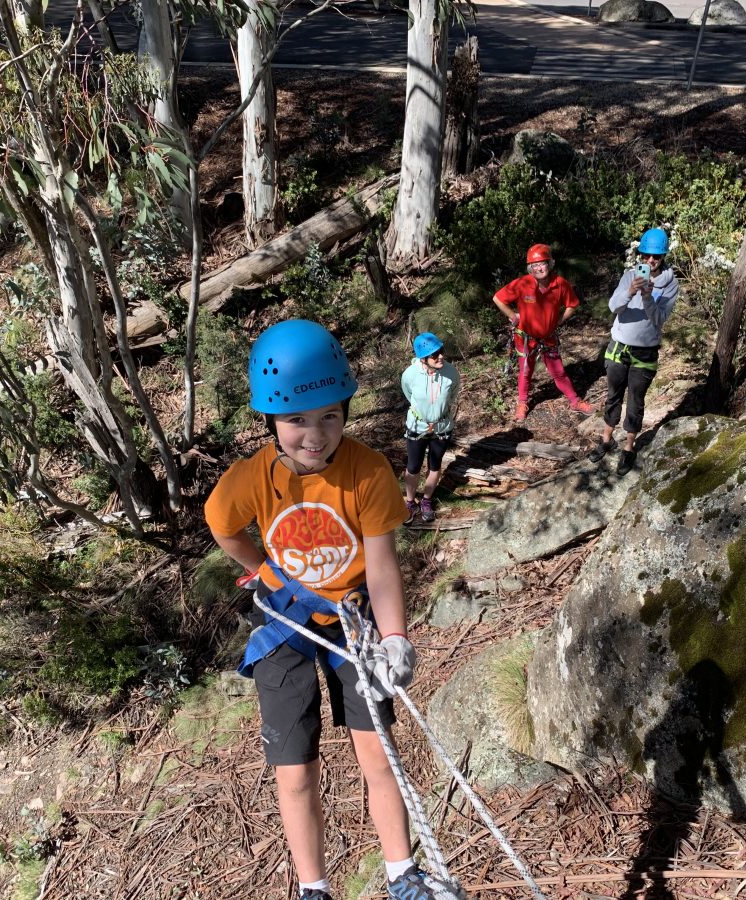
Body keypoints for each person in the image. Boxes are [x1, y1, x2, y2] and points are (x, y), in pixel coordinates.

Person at [204, 319, 439, 900]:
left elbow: (381, 566)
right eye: (296, 420)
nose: (314, 435)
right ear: (270, 420)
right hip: (285, 622)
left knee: (378, 754)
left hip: (353, 620)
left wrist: (395, 637)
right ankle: (314, 887)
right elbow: (222, 523)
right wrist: (262, 569)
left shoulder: (367, 471)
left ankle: (402, 873)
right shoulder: (251, 478)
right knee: (295, 769)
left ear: (345, 411)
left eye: (329, 416)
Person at [597, 227, 679, 476]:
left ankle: (628, 448)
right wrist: (631, 291)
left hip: (645, 352)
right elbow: (613, 306)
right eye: (646, 255)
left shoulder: (671, 284)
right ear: (640, 255)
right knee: (613, 395)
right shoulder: (629, 276)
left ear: (663, 256)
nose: (650, 260)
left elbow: (659, 319)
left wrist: (647, 297)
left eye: (656, 256)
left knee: (635, 401)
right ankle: (606, 440)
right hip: (619, 346)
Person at [492, 243, 594, 422]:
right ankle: (522, 402)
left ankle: (574, 401)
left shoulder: (560, 284)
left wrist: (560, 320)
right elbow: (498, 298)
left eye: (542, 263)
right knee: (525, 371)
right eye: (535, 265)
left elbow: (572, 304)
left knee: (559, 371)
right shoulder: (523, 284)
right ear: (530, 268)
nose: (539, 268)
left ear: (550, 264)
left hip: (548, 338)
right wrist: (513, 316)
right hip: (526, 338)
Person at [400, 332, 460, 525]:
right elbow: (408, 394)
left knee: (435, 465)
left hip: (442, 426)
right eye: (434, 355)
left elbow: (452, 396)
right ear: (423, 359)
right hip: (417, 426)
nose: (440, 357)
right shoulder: (410, 374)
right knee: (413, 466)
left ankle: (426, 501)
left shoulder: (451, 373)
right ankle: (410, 502)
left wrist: (437, 414)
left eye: (441, 351)